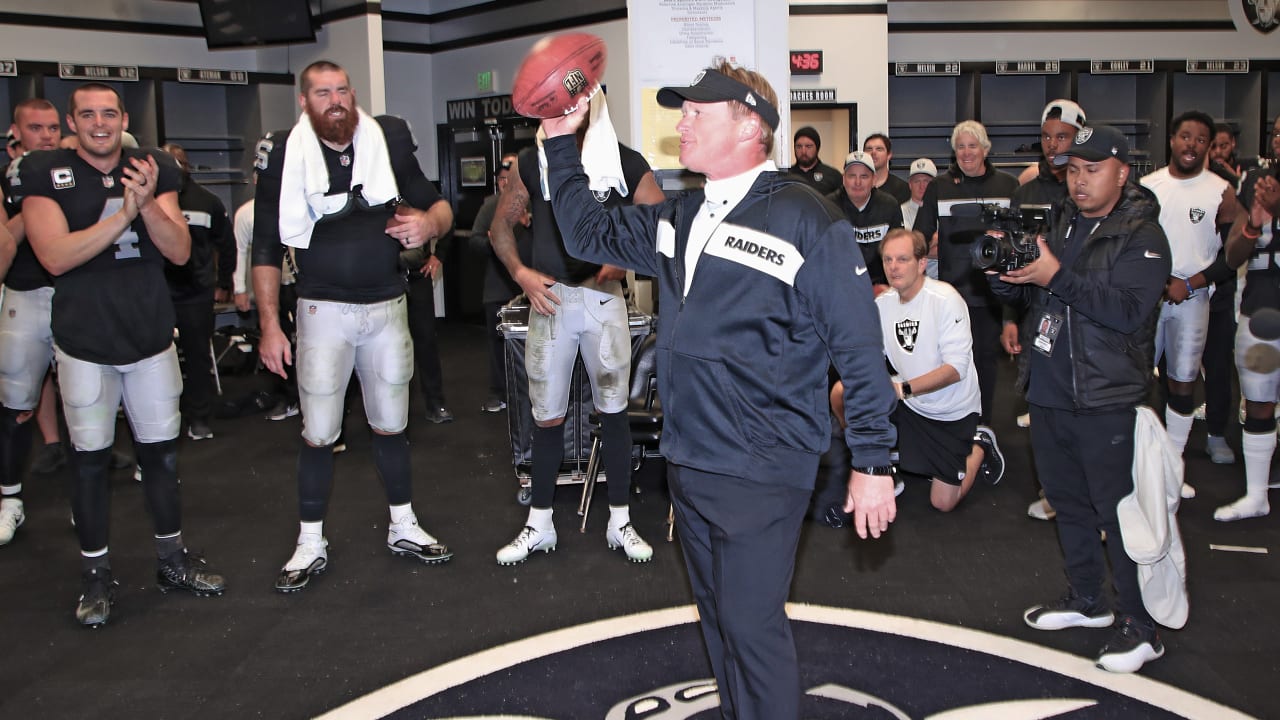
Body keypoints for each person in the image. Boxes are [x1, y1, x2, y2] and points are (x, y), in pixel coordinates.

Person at [540, 62, 897, 719]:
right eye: (683, 112)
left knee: (752, 629)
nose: (682, 122)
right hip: (691, 459)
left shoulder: (806, 219)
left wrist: (873, 462)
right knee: (721, 624)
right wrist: (561, 142)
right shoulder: (680, 213)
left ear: (751, 126)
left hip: (764, 466)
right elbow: (585, 234)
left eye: (697, 112)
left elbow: (861, 352)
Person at [17, 83, 226, 626]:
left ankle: (172, 561)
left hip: (150, 337)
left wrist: (149, 205)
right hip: (85, 342)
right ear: (72, 121)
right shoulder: (45, 172)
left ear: (124, 117)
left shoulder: (152, 165)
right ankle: (95, 575)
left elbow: (179, 250)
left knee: (162, 456)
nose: (100, 123)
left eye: (109, 113)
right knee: (89, 463)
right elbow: (56, 257)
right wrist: (124, 213)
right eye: (87, 114)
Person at [252, 60, 455, 592]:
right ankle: (310, 540)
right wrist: (270, 325)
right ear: (304, 101)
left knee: (392, 424)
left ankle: (403, 525)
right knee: (319, 432)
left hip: (387, 305)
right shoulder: (285, 151)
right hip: (322, 310)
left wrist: (429, 224)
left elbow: (438, 205)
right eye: (322, 93)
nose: (335, 100)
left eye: (342, 90)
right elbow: (267, 246)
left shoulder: (384, 137)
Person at [989, 125, 1171, 674]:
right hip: (1050, 390)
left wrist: (1056, 275)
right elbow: (1036, 294)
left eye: (1092, 169)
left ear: (1123, 172)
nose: (1079, 179)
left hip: (1106, 395)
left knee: (1119, 515)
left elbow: (1125, 311)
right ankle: (1088, 599)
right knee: (1065, 503)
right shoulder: (1062, 222)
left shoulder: (1143, 234)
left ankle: (1141, 626)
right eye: (1072, 170)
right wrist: (1008, 278)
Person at [490, 92, 665, 565]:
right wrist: (522, 275)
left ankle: (620, 520)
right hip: (549, 299)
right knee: (546, 415)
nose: (571, 114)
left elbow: (661, 222)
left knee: (613, 411)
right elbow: (499, 228)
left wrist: (621, 255)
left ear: (596, 105)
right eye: (562, 107)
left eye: (579, 104)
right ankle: (539, 524)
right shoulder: (533, 160)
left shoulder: (623, 160)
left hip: (602, 297)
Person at [1140, 110, 1241, 498]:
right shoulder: (1149, 186)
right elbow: (1135, 241)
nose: (1191, 145)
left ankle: (1173, 469)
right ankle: (1139, 464)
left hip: (1195, 297)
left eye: (1201, 139)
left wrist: (1191, 283)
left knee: (1182, 381)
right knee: (1135, 380)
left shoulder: (1221, 190)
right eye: (1185, 136)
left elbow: (1230, 256)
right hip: (1150, 294)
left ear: (1208, 146)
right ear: (1172, 139)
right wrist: (1163, 281)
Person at [872, 228, 1001, 511]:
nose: (893, 267)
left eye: (902, 259)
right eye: (888, 259)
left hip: (950, 412)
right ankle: (881, 467)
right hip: (910, 404)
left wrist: (903, 389)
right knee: (844, 393)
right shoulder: (881, 305)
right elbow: (870, 358)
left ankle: (980, 443)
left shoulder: (945, 299)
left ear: (921, 264)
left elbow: (955, 368)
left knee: (942, 503)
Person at [913, 120, 1019, 427]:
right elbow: (920, 235)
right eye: (961, 147)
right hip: (951, 296)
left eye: (973, 146)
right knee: (950, 365)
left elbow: (1018, 242)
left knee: (985, 365)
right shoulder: (940, 187)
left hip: (992, 297)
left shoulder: (1008, 187)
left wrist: (1011, 314)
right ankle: (952, 425)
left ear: (985, 149)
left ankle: (981, 430)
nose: (967, 153)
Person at [1011, 99, 1087, 520]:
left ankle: (1091, 502)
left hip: (1085, 314)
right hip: (1039, 311)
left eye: (1062, 136)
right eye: (1046, 136)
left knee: (1083, 408)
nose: (1053, 144)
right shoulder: (1026, 191)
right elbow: (1013, 258)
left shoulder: (1090, 191)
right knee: (1043, 404)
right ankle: (1053, 493)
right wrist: (1009, 317)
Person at [0, 99, 61, 545]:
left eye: (53, 127)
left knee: (87, 399)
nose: (46, 136)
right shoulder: (6, 181)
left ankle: (86, 498)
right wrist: (32, 203)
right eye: (36, 128)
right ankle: (10, 500)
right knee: (16, 402)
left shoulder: (73, 171)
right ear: (15, 135)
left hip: (74, 294)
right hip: (23, 294)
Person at [1216, 112, 1280, 522]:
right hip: (1261, 309)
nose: (1279, 139)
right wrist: (1255, 223)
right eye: (1277, 132)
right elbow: (1233, 255)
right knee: (1259, 401)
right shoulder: (1254, 179)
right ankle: (1256, 494)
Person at [159, 143, 233, 441]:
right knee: (155, 360)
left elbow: (226, 245)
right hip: (158, 294)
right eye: (169, 162)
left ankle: (200, 418)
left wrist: (224, 284)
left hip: (196, 292)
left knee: (198, 356)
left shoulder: (207, 202)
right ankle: (163, 420)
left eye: (180, 162)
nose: (176, 167)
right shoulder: (148, 201)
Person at [470, 153, 528, 414]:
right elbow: (474, 242)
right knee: (497, 342)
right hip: (496, 287)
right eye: (502, 179)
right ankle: (499, 393)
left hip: (528, 288)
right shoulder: (490, 206)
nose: (506, 183)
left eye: (511, 178)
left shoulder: (535, 205)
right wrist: (494, 244)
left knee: (531, 342)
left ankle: (528, 394)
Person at [826, 150, 902, 294]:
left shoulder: (889, 205)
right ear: (843, 179)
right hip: (839, 288)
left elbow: (898, 251)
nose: (857, 182)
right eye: (852, 176)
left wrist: (891, 287)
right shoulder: (828, 206)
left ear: (874, 180)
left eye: (864, 176)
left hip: (882, 289)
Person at [402, 230, 453, 425]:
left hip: (416, 274)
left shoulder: (418, 199)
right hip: (382, 276)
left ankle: (435, 403)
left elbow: (448, 223)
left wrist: (438, 255)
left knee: (426, 339)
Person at [900, 157, 937, 276]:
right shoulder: (899, 211)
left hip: (939, 279)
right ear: (910, 184)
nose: (922, 186)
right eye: (917, 181)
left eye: (926, 181)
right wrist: (934, 241)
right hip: (910, 279)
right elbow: (906, 250)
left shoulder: (944, 211)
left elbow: (950, 251)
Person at [786, 126, 841, 195]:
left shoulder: (833, 175)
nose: (803, 151)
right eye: (799, 146)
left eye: (808, 146)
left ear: (817, 148)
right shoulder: (786, 175)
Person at [863, 132, 911, 204]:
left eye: (879, 149)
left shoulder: (902, 189)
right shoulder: (855, 187)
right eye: (869, 149)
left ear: (889, 155)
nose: (873, 152)